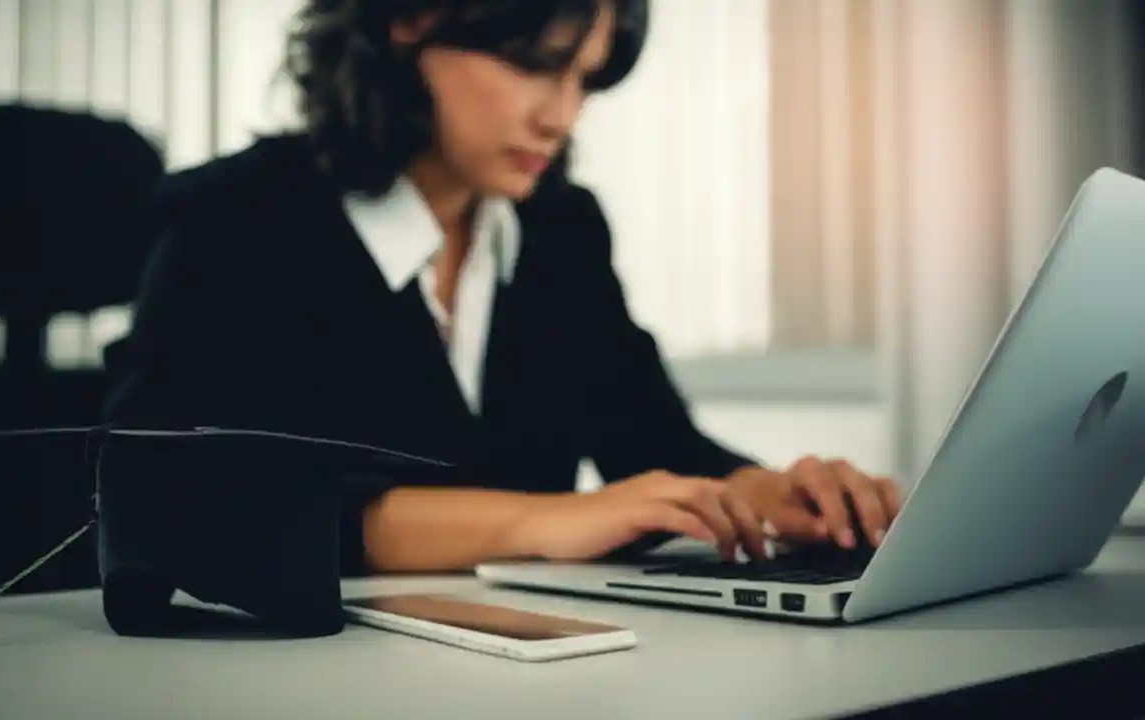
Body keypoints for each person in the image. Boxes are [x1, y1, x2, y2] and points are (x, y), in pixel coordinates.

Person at [105, 0, 902, 576]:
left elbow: (654, 443)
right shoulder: (234, 218)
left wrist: (767, 493)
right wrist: (547, 519)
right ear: (409, 21)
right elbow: (163, 505)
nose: (562, 116)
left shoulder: (560, 229)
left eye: (585, 80)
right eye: (535, 65)